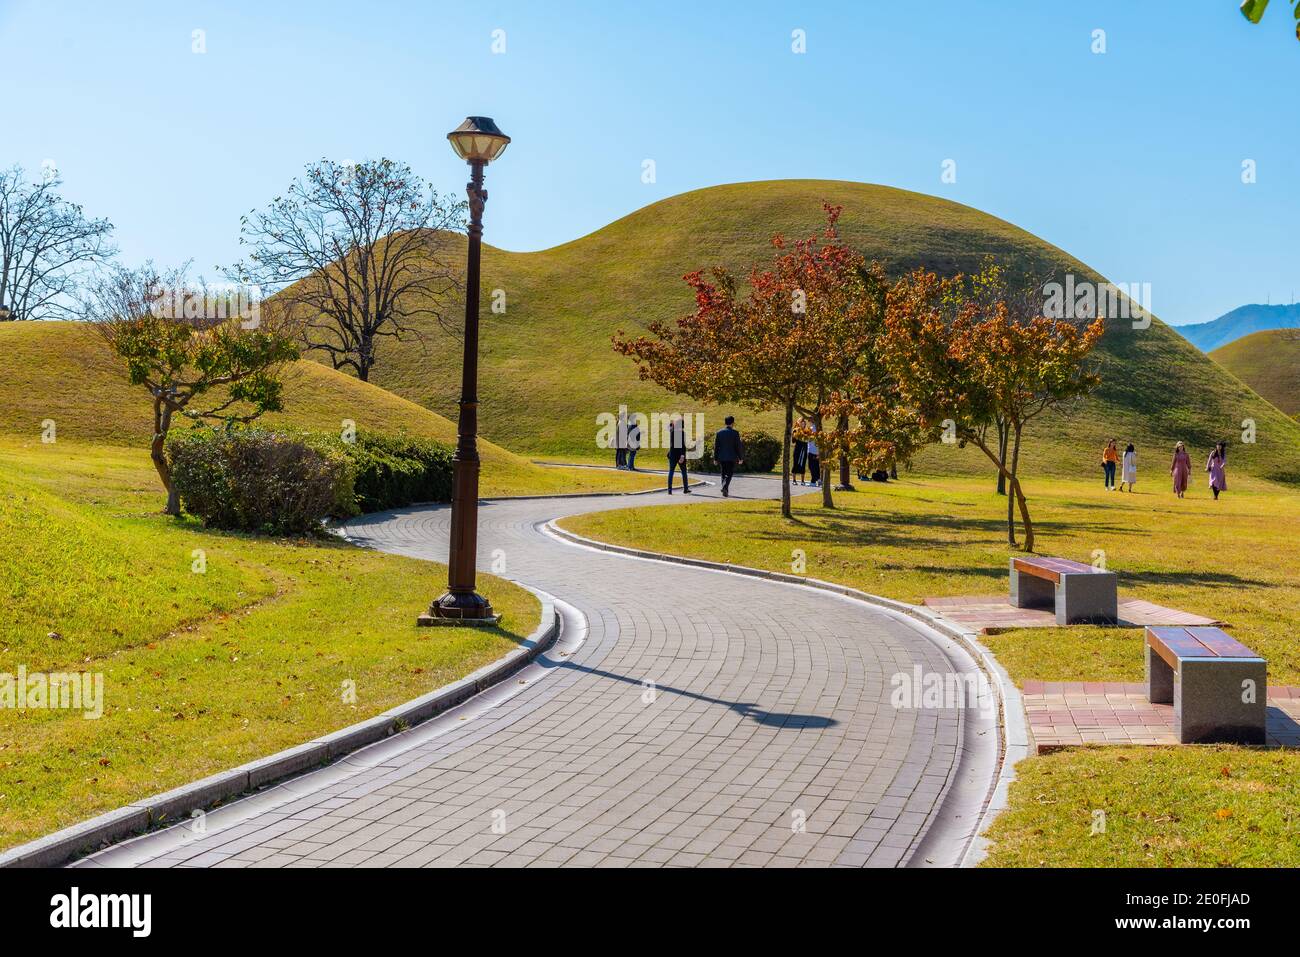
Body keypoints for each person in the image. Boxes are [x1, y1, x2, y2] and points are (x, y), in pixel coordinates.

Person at [713, 415, 745, 497]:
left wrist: (715, 458)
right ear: (733, 423)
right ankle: (725, 486)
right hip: (732, 456)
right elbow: (738, 446)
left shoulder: (719, 433)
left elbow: (716, 447)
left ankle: (725, 488)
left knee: (723, 473)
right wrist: (740, 457)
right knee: (730, 473)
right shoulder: (735, 433)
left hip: (722, 456)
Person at [666, 414, 691, 494]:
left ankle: (669, 490)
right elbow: (682, 446)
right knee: (684, 472)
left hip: (672, 454)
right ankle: (685, 488)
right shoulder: (682, 433)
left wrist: (673, 422)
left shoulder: (672, 431)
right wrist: (682, 456)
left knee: (671, 472)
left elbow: (669, 425)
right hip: (679, 455)